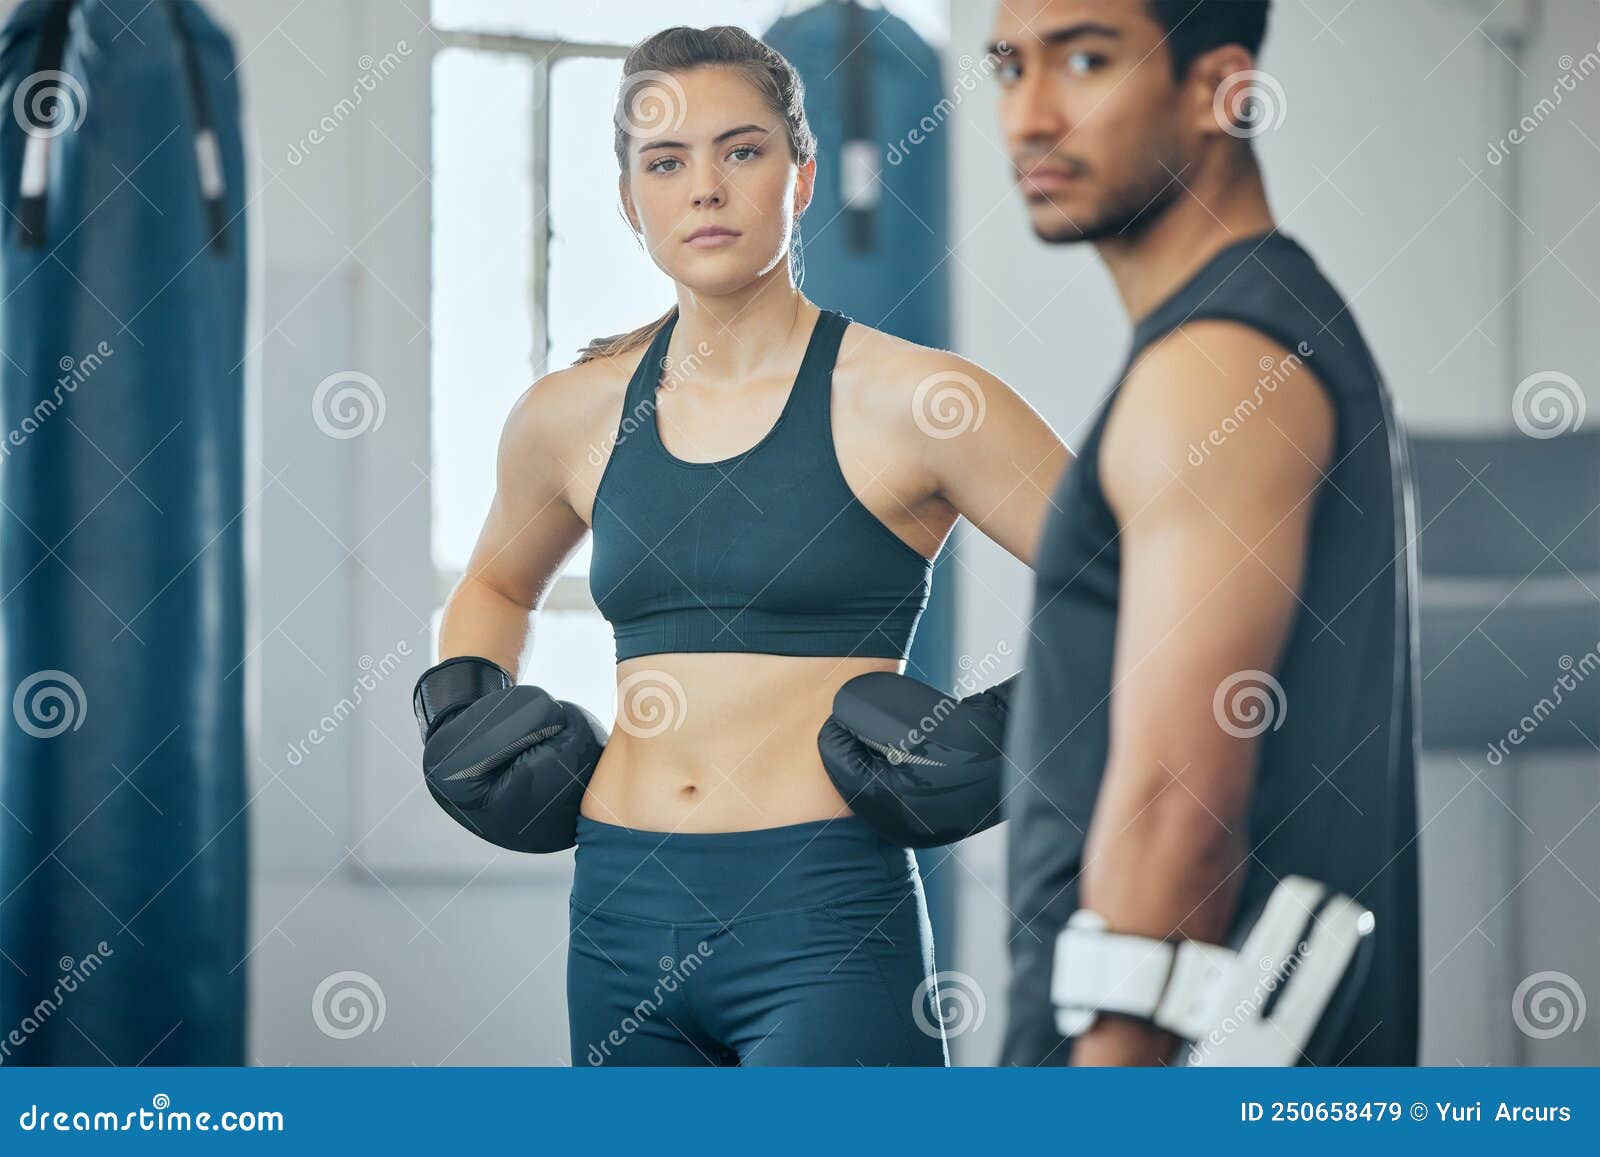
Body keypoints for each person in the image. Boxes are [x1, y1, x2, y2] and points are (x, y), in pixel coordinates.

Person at [413, 24, 1068, 1067]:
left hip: (821, 915)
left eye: (742, 150)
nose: (705, 188)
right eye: (666, 163)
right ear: (629, 201)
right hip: (620, 912)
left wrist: (1025, 732)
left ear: (801, 175)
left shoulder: (920, 401)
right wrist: (459, 708)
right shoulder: (569, 415)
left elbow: (1140, 585)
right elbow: (496, 582)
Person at [990, 0, 1421, 1066]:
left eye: (1085, 60)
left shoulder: (1218, 367)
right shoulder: (1259, 332)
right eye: (1007, 67)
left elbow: (1175, 814)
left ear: (1219, 89)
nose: (1028, 116)